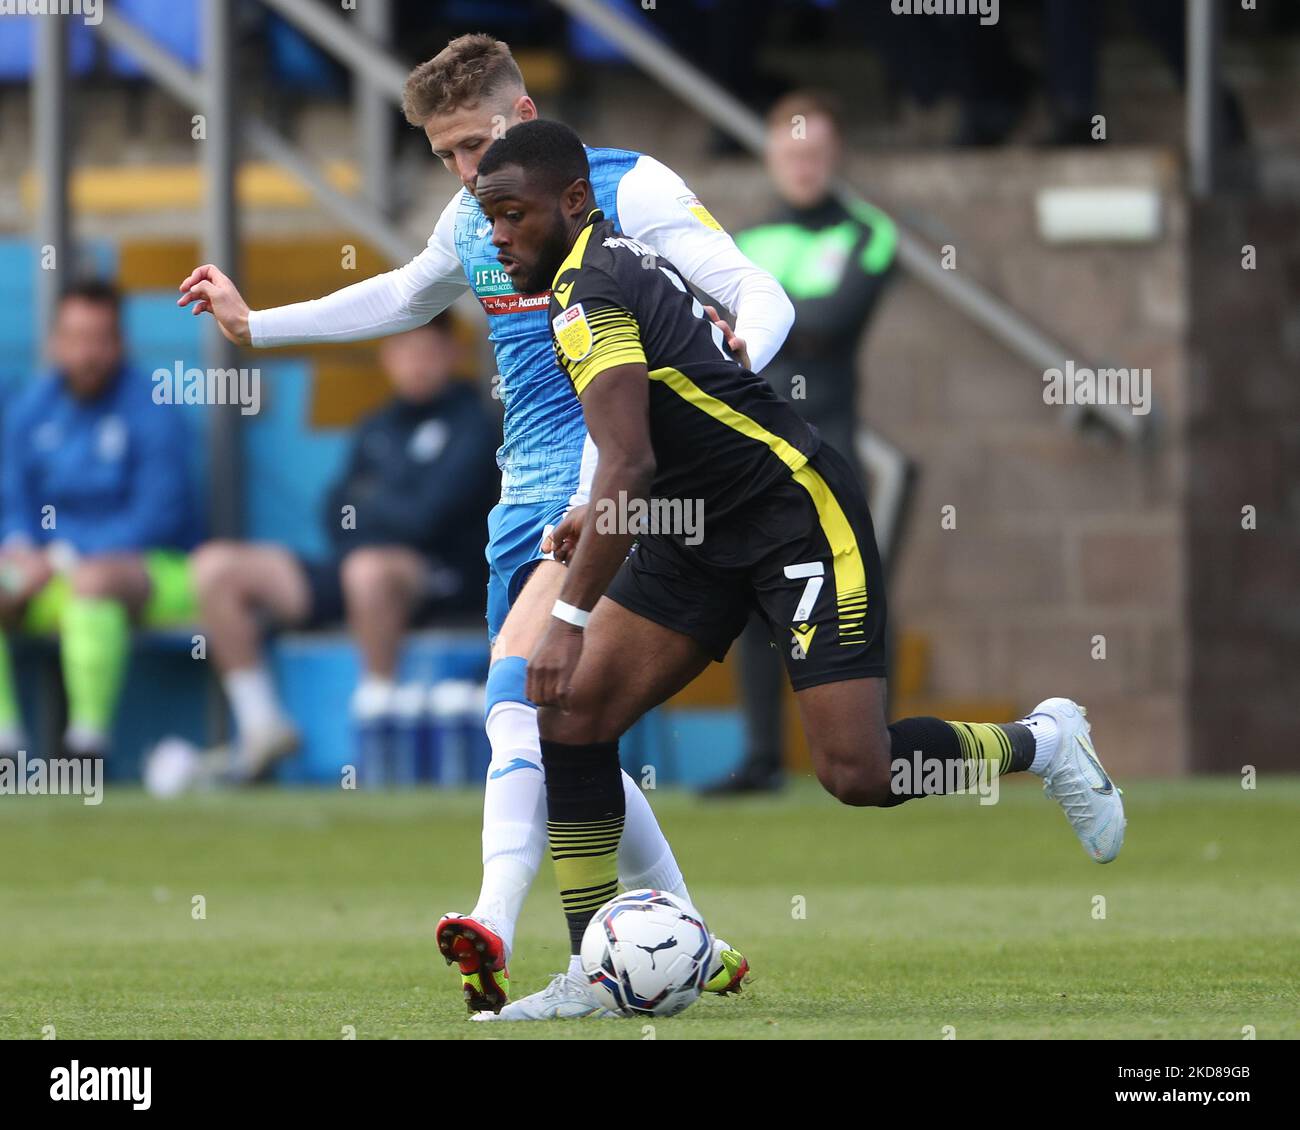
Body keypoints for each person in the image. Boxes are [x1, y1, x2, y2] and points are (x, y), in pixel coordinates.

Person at [177, 33, 785, 1013]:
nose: (463, 174)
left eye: (474, 145)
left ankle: (492, 917)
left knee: (514, 701)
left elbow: (757, 290)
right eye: (445, 156)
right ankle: (686, 938)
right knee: (563, 730)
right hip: (523, 506)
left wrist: (734, 368)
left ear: (527, 121)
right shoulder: (473, 224)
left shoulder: (631, 192)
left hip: (611, 490)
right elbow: (403, 295)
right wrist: (258, 326)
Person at [469, 119, 1126, 1021]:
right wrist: (600, 509)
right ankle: (592, 968)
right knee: (572, 713)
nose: (497, 234)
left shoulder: (590, 289)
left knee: (858, 771)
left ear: (574, 202)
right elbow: (669, 417)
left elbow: (630, 463)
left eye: (511, 214)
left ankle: (1045, 742)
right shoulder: (597, 272)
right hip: (692, 529)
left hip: (792, 519)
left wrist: (568, 617)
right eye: (485, 216)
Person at [189, 316, 498, 779]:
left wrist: (372, 501)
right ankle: (261, 724)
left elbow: (428, 519)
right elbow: (336, 510)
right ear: (387, 357)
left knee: (368, 571)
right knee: (215, 566)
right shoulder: (376, 425)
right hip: (353, 565)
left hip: (443, 577)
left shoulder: (476, 424)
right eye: (404, 350)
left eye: (427, 351)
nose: (415, 363)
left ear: (452, 354)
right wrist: (382, 507)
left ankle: (377, 719)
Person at [704, 90, 899, 797]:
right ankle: (762, 756)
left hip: (832, 434)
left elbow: (826, 323)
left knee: (857, 585)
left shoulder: (867, 232)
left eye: (815, 152)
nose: (804, 165)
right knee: (758, 588)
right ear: (770, 157)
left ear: (835, 156)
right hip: (757, 437)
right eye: (792, 152)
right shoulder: (747, 240)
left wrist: (767, 309)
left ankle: (884, 745)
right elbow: (727, 326)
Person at [0, 281, 199, 760]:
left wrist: (62, 554)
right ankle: (6, 746)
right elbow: (13, 496)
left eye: (98, 339)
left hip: (157, 571)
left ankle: (86, 748)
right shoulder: (32, 409)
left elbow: (158, 517)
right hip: (48, 575)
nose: (86, 353)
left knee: (93, 582)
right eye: (75, 337)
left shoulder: (152, 410)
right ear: (54, 343)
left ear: (119, 344)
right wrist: (21, 545)